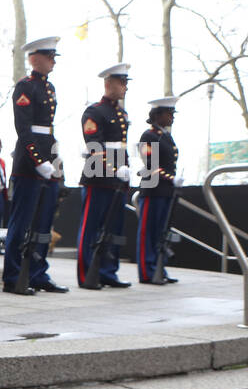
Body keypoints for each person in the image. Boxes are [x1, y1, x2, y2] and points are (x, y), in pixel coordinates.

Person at [2, 37, 68, 294]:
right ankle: (13, 276)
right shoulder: (25, 87)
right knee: (22, 221)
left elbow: (47, 130)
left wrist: (52, 161)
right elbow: (24, 129)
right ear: (34, 58)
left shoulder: (49, 88)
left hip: (48, 156)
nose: (53, 61)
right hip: (29, 163)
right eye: (48, 56)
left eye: (53, 56)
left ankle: (38, 273)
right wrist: (38, 161)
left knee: (43, 224)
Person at [77, 63, 134, 288]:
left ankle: (109, 271)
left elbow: (121, 146)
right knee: (91, 228)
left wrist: (125, 171)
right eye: (122, 83)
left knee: (113, 229)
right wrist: (112, 169)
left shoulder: (121, 113)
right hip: (98, 177)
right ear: (108, 83)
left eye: (126, 83)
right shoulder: (94, 112)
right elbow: (95, 146)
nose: (125, 87)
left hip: (118, 179)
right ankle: (86, 274)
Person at [138, 97, 181, 284]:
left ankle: (159, 268)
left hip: (165, 191)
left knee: (161, 233)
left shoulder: (166, 136)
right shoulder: (148, 136)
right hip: (152, 189)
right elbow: (150, 165)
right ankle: (147, 271)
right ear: (158, 115)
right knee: (149, 232)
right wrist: (172, 178)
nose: (172, 117)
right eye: (169, 113)